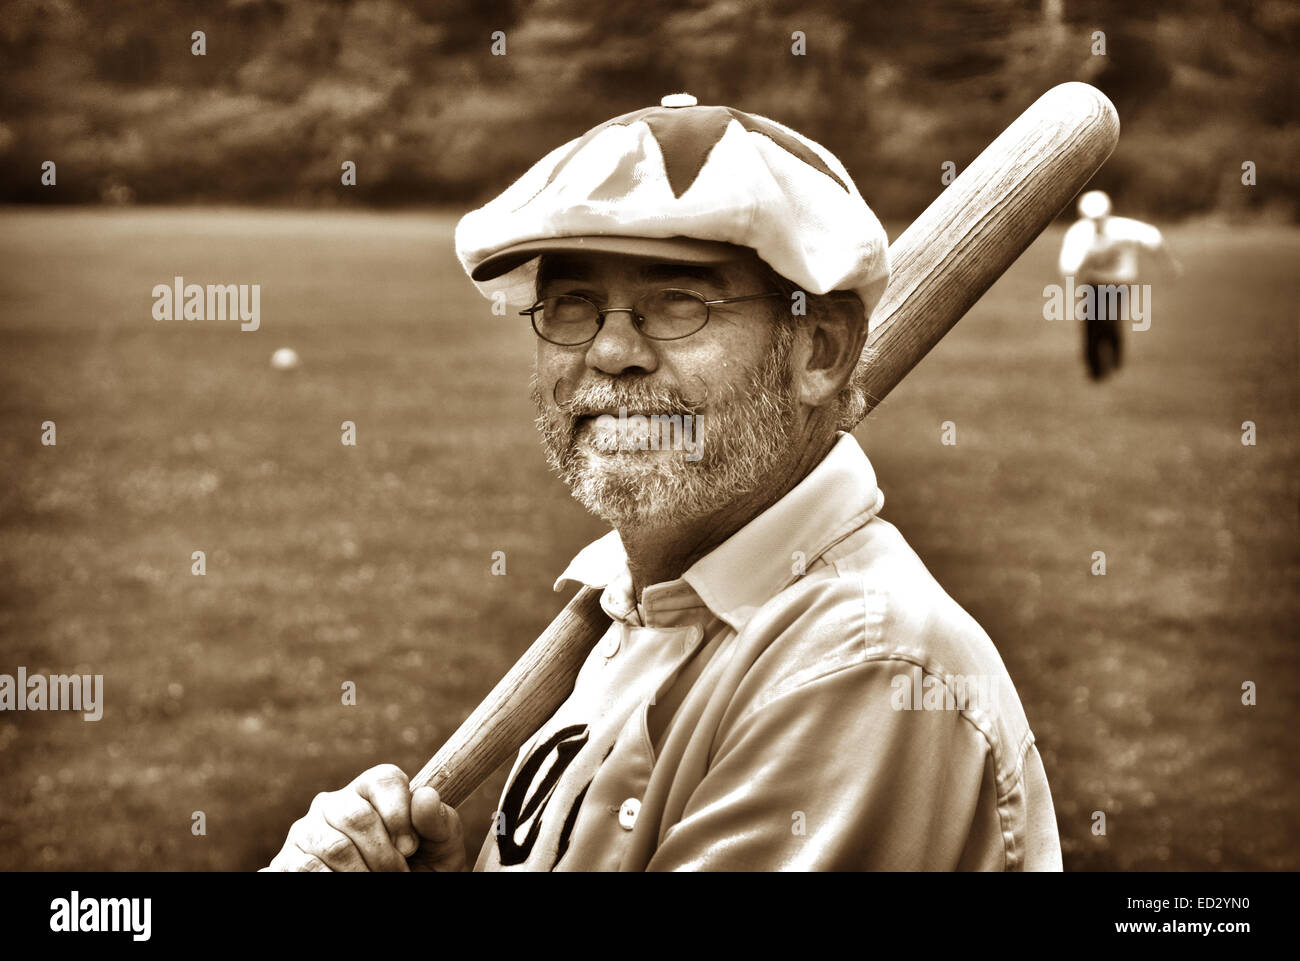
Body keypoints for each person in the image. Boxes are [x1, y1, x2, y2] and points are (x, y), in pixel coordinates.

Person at [264, 94, 1062, 872]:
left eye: (676, 302)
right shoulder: (648, 598)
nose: (611, 351)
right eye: (573, 303)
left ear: (819, 350)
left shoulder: (862, 669)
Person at [1058, 189, 1180, 380]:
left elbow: (1154, 239)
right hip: (1094, 284)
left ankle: (1114, 360)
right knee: (1091, 324)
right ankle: (1095, 368)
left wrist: (1170, 266)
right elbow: (1068, 267)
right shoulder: (1079, 233)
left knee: (1108, 320)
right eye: (1092, 218)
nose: (1097, 223)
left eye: (1100, 217)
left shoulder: (1123, 229)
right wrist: (1085, 261)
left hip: (1119, 283)